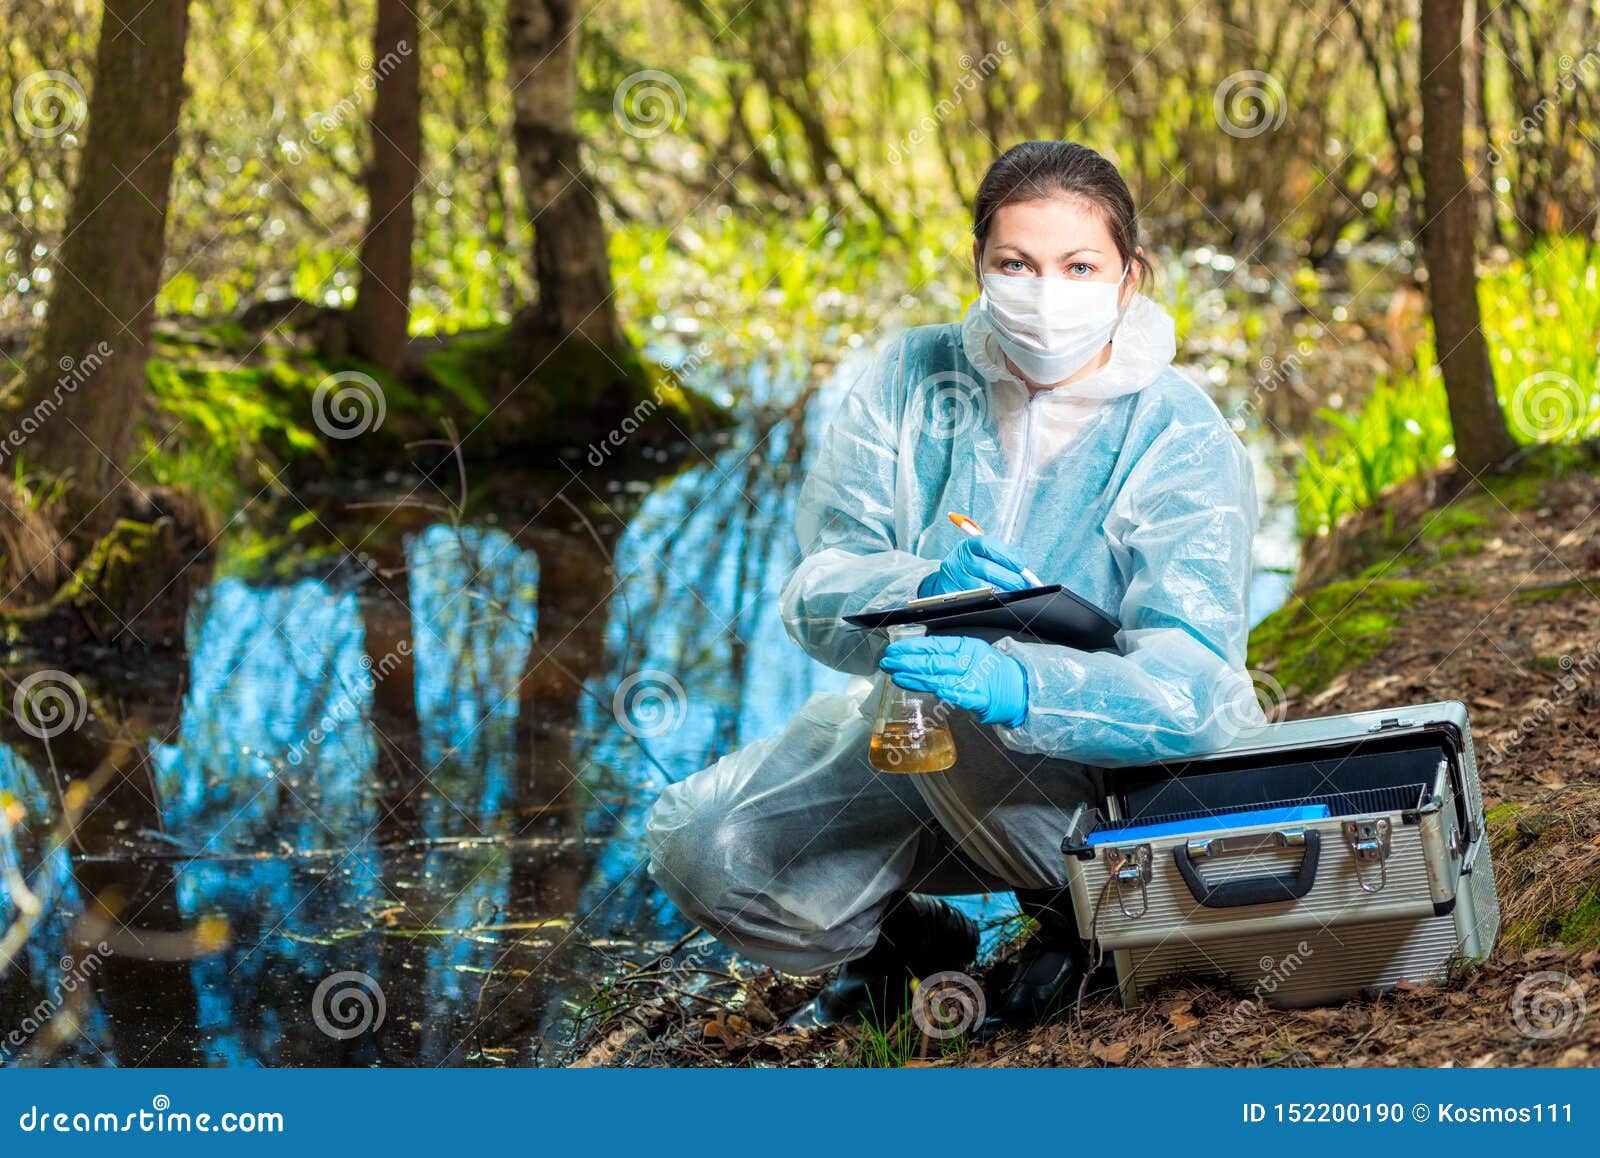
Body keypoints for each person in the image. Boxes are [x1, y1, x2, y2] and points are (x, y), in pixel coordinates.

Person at [647, 140, 1263, 1033]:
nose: (1045, 293)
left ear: (1129, 278)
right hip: (920, 739)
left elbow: (1193, 687)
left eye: (1078, 266)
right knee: (712, 847)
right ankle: (908, 936)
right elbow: (818, 587)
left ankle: (1081, 917)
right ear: (978, 264)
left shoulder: (1177, 434)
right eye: (1016, 264)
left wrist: (1023, 685)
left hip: (1106, 779)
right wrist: (922, 587)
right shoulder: (912, 378)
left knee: (975, 707)